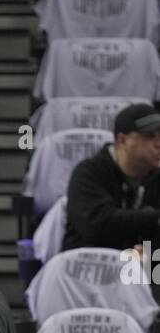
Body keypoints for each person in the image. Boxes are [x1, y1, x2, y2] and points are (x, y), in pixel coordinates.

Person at [63, 102, 160, 251]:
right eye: (149, 136)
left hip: (146, 269)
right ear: (123, 140)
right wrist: (154, 219)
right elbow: (96, 225)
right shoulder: (89, 173)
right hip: (93, 267)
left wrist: (150, 251)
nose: (158, 143)